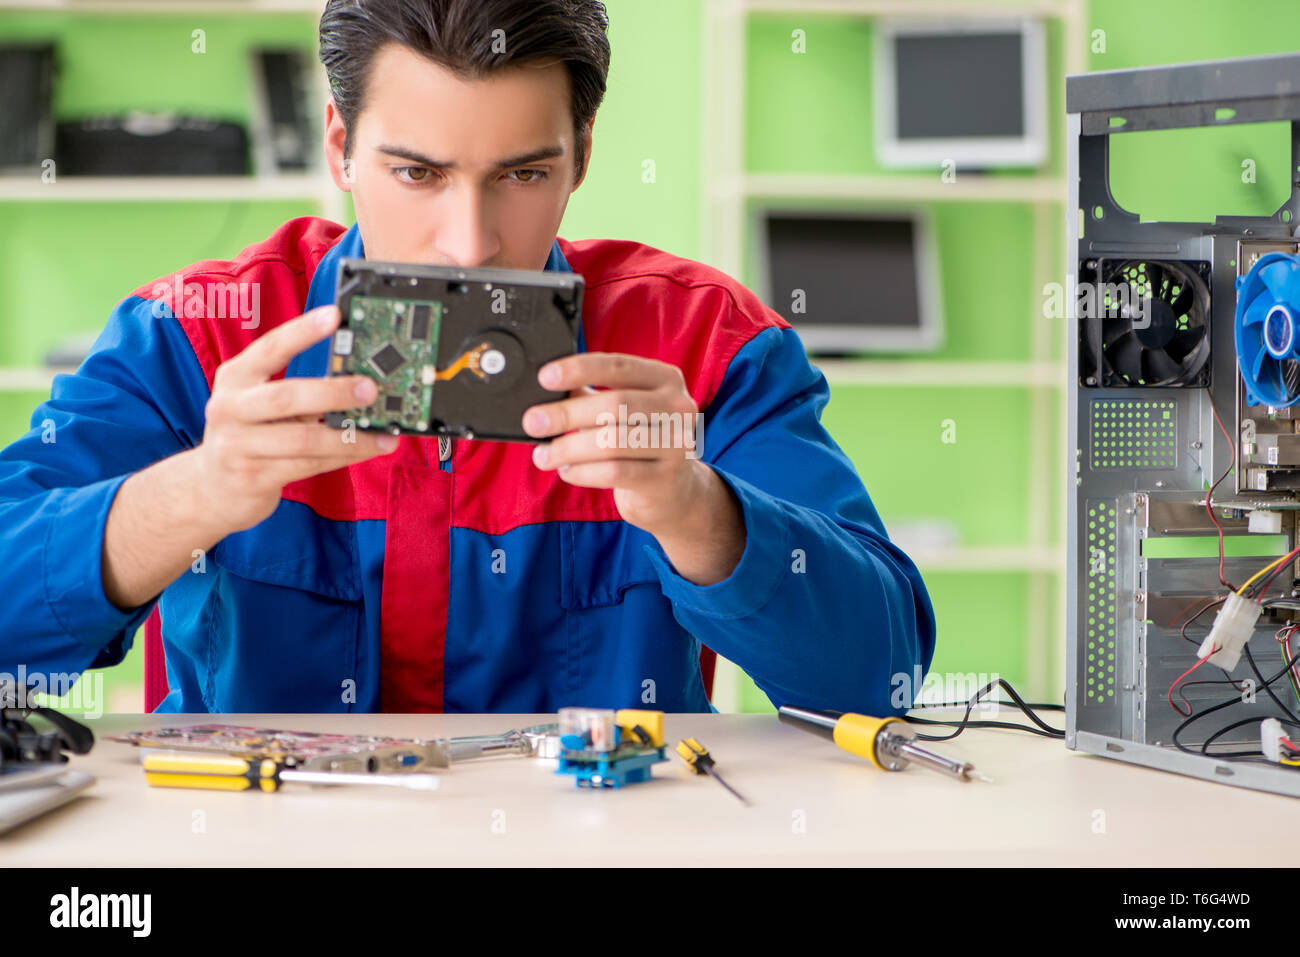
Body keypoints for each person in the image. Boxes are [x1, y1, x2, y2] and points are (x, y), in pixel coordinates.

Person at [0, 0, 935, 714]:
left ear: (581, 156)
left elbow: (881, 676)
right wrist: (192, 493)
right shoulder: (196, 333)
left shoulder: (708, 344)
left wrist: (698, 511)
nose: (468, 242)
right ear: (339, 147)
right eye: (418, 173)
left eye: (523, 174)